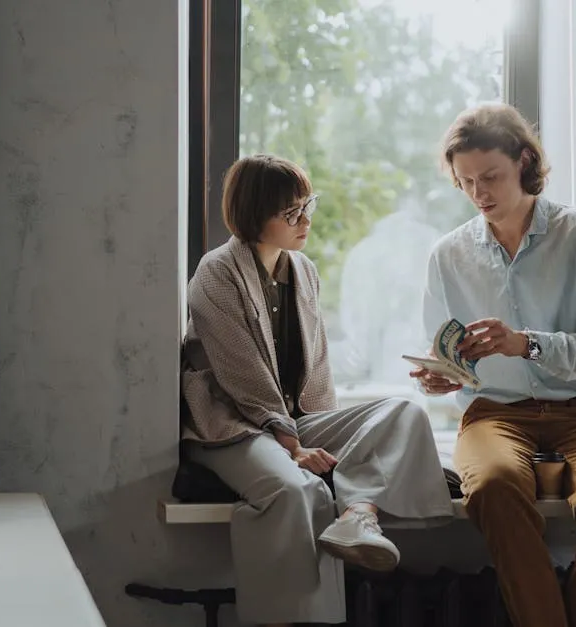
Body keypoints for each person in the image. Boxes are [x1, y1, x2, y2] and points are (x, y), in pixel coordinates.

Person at [182, 154, 454, 627]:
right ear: (252, 213)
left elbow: (318, 368)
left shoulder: (302, 270)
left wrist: (320, 437)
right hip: (232, 425)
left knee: (402, 413)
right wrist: (293, 444)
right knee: (295, 491)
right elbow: (241, 372)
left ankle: (358, 517)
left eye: (307, 205)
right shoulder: (216, 272)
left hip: (293, 420)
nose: (305, 219)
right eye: (290, 212)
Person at [411, 103, 576, 627]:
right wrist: (437, 376)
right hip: (491, 415)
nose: (480, 193)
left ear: (524, 161)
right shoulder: (447, 255)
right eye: (466, 181)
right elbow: (446, 357)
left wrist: (527, 345)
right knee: (493, 486)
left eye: (490, 176)